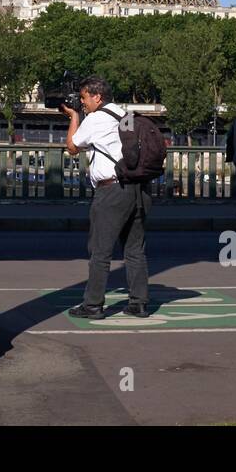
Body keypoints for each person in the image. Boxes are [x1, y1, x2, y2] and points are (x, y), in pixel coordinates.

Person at [60, 77, 149, 320]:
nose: (82, 102)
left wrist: (74, 117)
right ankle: (138, 303)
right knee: (135, 249)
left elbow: (72, 146)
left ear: (97, 97)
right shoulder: (124, 114)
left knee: (100, 250)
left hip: (111, 190)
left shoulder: (96, 118)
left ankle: (93, 305)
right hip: (138, 188)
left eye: (84, 98)